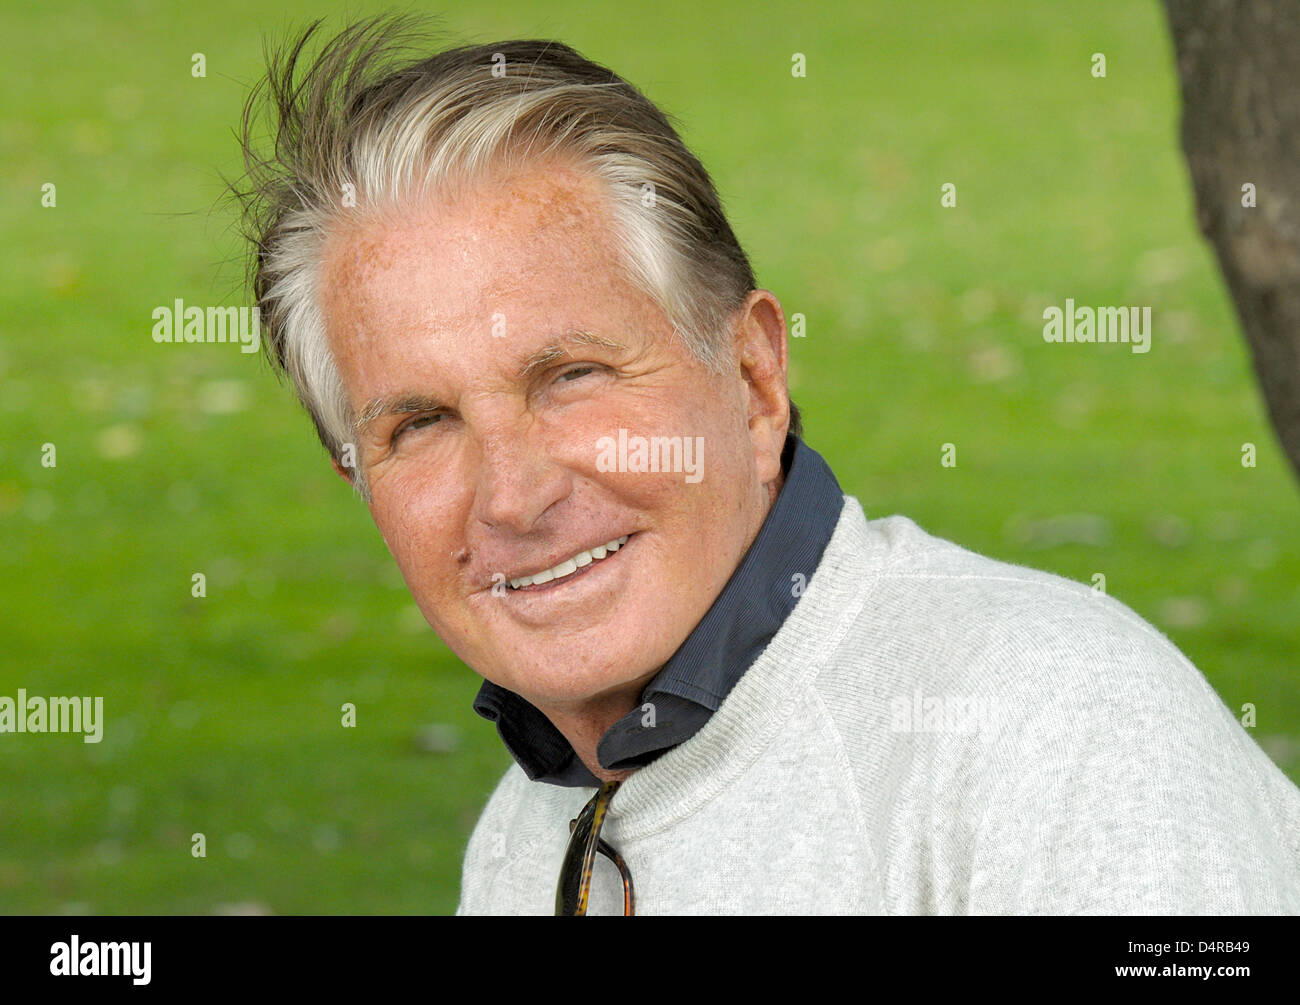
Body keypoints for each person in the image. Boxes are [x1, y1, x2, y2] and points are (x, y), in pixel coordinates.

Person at [233, 15, 1300, 914]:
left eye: (572, 375)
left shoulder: (1056, 728)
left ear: (751, 378)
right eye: (418, 424)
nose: (512, 495)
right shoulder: (523, 840)